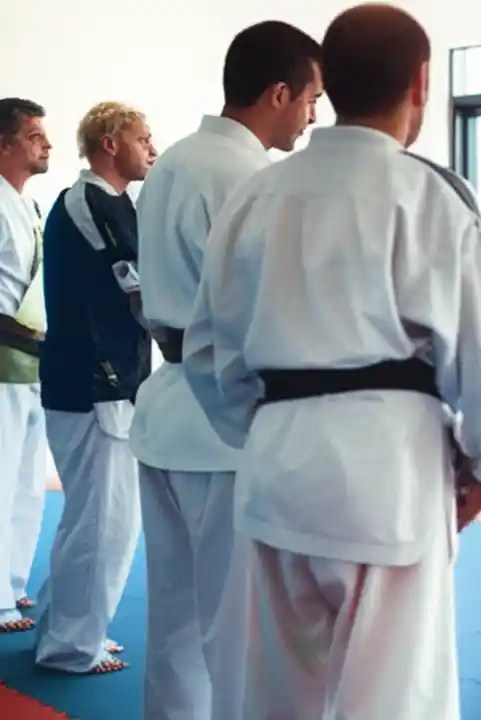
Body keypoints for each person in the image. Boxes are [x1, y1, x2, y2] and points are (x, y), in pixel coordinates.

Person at [182, 5, 481, 717]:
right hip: (390, 478)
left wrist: (265, 430)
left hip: (275, 471)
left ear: (329, 84)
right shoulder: (430, 198)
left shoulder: (257, 195)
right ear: (421, 83)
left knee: (270, 699)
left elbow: (205, 351)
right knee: (392, 701)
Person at [131, 20, 323, 717]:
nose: (311, 117)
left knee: (176, 623)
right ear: (279, 92)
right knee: (238, 632)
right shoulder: (251, 179)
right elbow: (270, 312)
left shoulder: (173, 163)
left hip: (166, 416)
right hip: (224, 425)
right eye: (310, 100)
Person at [31, 102, 155, 675]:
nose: (150, 149)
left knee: (91, 516)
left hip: (111, 379)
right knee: (106, 522)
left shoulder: (119, 204)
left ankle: (64, 627)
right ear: (109, 143)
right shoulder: (87, 202)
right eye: (142, 138)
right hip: (93, 381)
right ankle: (72, 646)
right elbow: (135, 288)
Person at [0, 97, 51, 636]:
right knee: (0, 474)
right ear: (5, 144)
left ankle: (12, 582)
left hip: (35, 358)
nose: (46, 145)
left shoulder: (29, 206)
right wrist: (24, 335)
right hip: (6, 354)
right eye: (34, 135)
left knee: (27, 479)